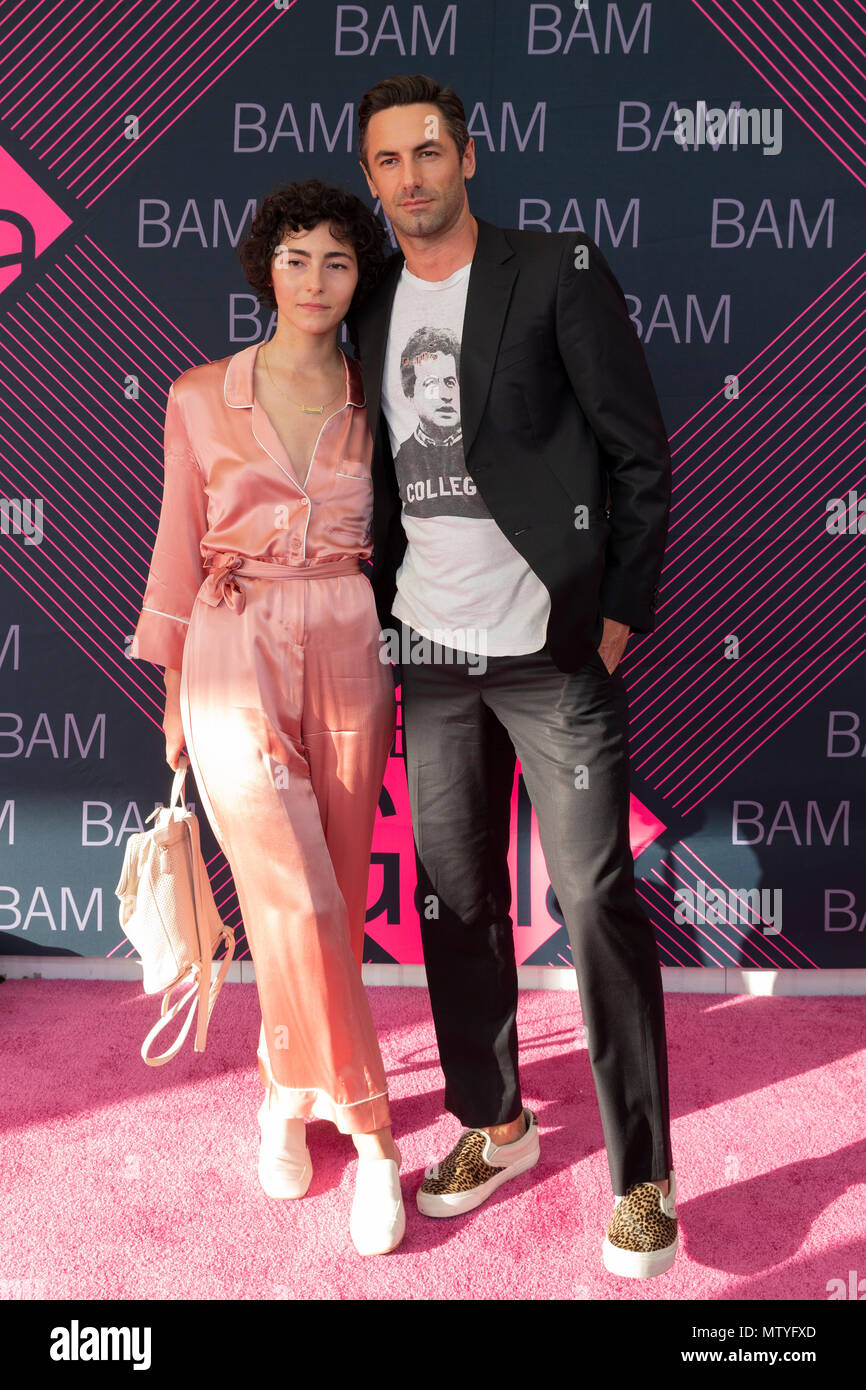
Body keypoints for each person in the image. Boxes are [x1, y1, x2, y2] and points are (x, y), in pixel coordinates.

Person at [347, 75, 678, 1278]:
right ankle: (494, 1122)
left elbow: (639, 455)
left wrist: (616, 621)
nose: (410, 178)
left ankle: (642, 1179)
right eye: (386, 161)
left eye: (427, 152)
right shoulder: (369, 299)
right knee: (455, 901)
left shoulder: (554, 271)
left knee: (593, 903)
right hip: (429, 656)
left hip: (550, 653)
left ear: (468, 156)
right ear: (373, 180)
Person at [129, 179, 405, 1257]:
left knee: (331, 877)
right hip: (229, 637)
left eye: (336, 261)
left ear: (356, 280)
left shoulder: (376, 391)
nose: (314, 279)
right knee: (291, 894)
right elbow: (174, 542)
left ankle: (286, 1092)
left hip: (345, 634)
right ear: (265, 266)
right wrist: (171, 693)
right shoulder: (201, 394)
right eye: (296, 257)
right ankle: (376, 1133)